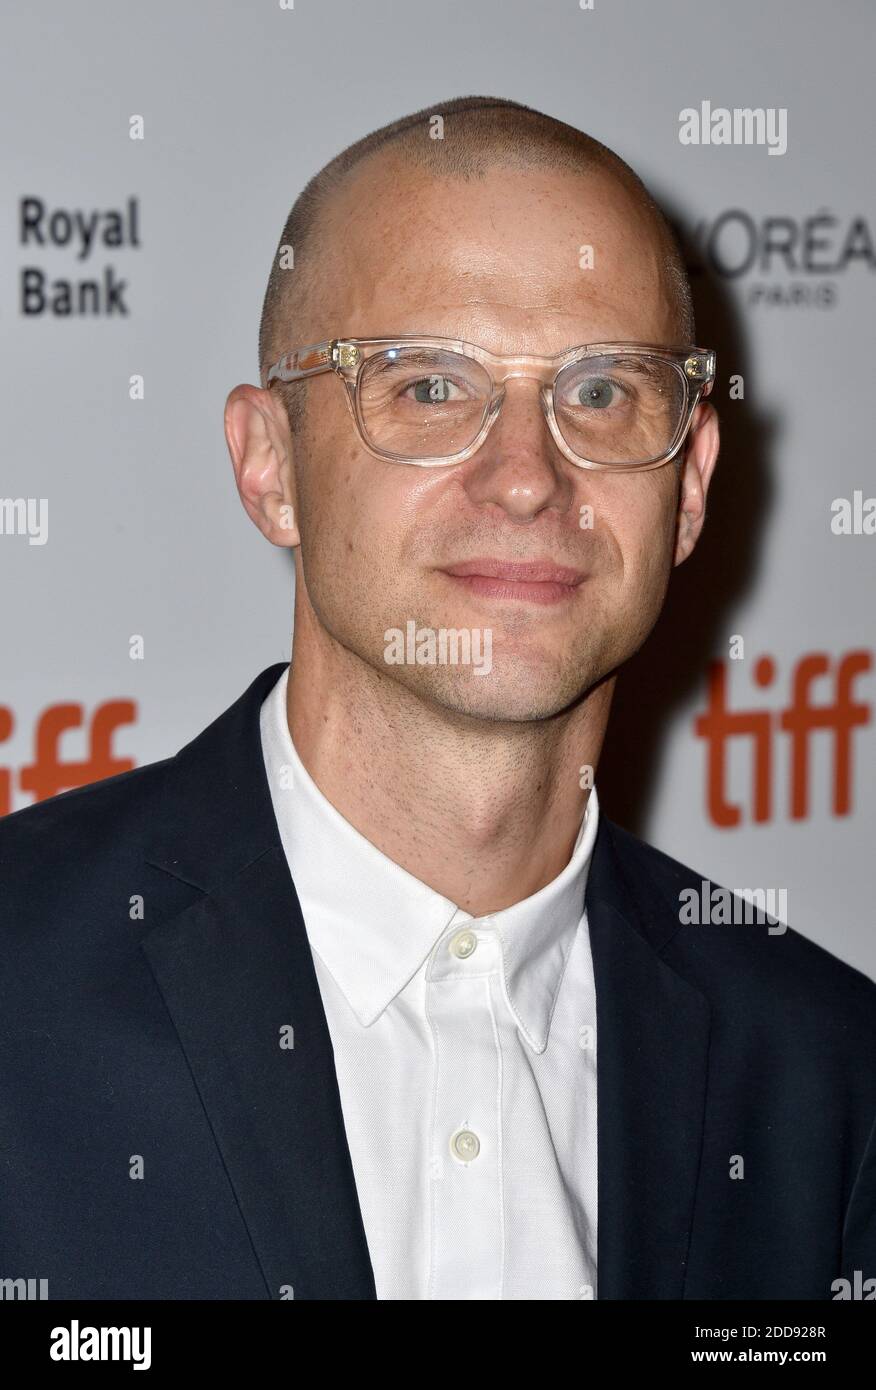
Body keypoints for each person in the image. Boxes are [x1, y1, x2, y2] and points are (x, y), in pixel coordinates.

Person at [1, 96, 874, 1301]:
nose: (526, 477)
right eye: (426, 388)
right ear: (270, 466)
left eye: (604, 391)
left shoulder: (829, 1075)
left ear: (689, 487)